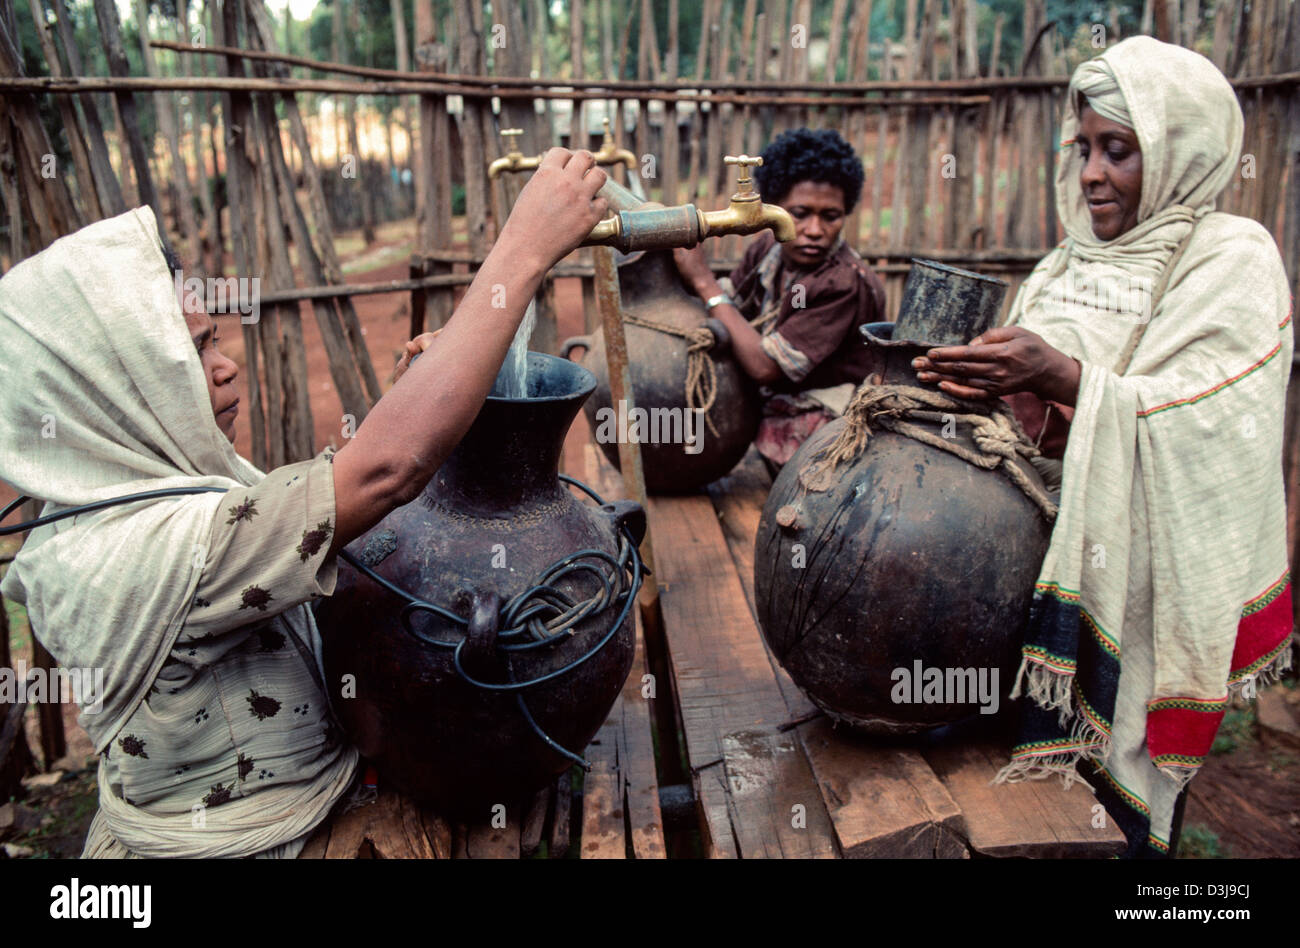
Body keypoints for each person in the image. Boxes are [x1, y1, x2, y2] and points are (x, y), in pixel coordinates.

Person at [0, 148, 610, 858]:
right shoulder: (148, 555)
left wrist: (420, 395)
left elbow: (308, 512)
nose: (226, 367)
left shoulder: (124, 496)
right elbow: (382, 472)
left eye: (216, 341)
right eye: (191, 356)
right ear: (111, 392)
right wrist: (525, 248)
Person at [913, 36, 1293, 858]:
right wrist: (997, 390)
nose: (1090, 173)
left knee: (1112, 833)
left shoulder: (1232, 258)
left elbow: (1211, 424)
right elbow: (1044, 430)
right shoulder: (1066, 263)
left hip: (1142, 593)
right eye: (1082, 147)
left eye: (1117, 150)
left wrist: (1064, 375)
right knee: (1016, 807)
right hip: (1024, 587)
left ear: (1180, 150)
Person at [672, 127, 886, 470]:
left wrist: (704, 282)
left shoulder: (843, 283)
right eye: (799, 213)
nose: (814, 230)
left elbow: (765, 367)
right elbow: (732, 306)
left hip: (830, 423)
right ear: (773, 208)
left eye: (830, 216)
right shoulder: (768, 249)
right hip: (773, 406)